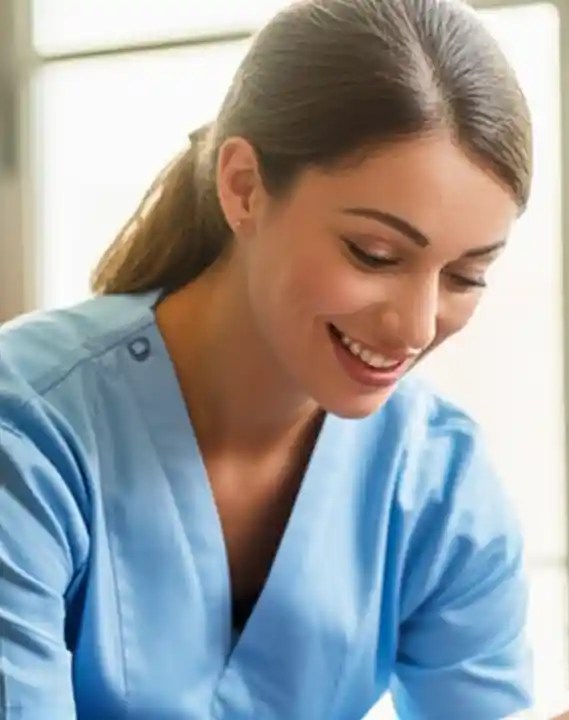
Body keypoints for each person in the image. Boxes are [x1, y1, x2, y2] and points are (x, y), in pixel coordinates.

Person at [0, 0, 536, 717]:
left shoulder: (438, 487)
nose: (414, 326)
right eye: (373, 255)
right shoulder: (28, 434)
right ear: (245, 188)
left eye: (465, 276)